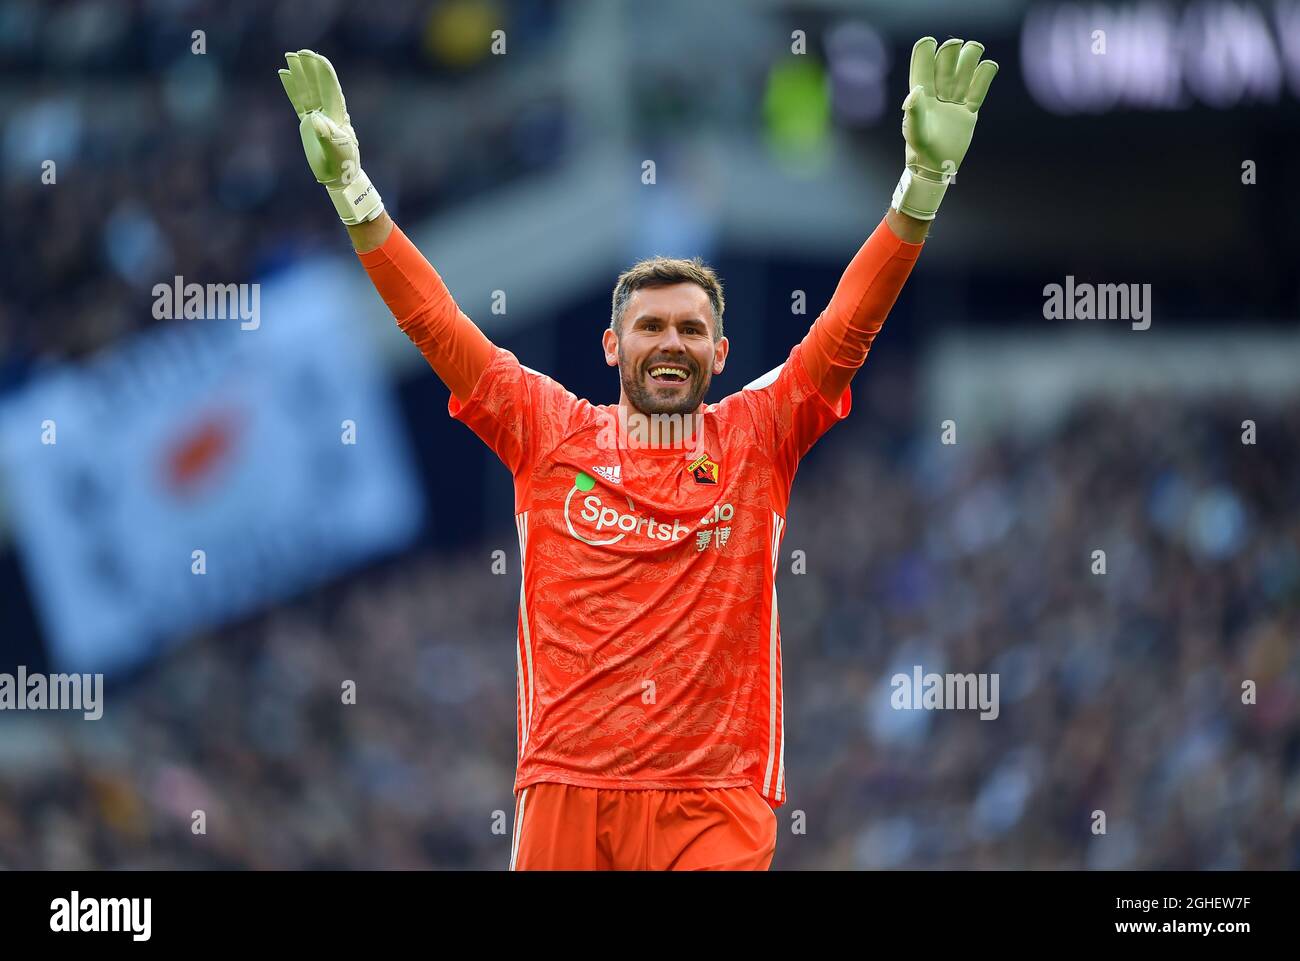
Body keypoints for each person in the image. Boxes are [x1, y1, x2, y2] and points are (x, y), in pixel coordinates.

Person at [277, 36, 997, 870]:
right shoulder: (548, 430)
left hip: (712, 799)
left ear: (720, 354)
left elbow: (846, 330)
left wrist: (920, 188)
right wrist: (356, 194)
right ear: (613, 346)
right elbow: (437, 327)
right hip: (566, 788)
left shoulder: (756, 436)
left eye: (691, 328)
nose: (670, 342)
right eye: (650, 326)